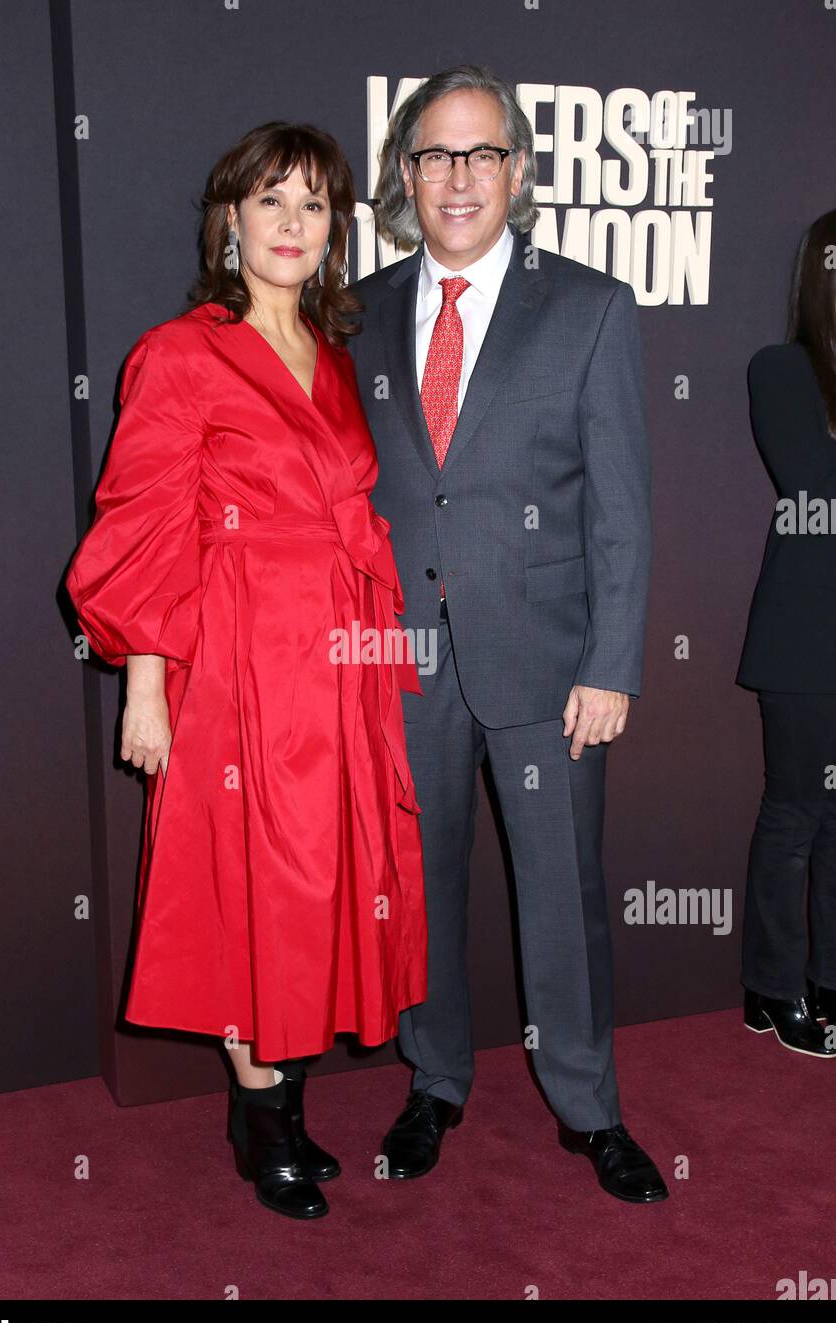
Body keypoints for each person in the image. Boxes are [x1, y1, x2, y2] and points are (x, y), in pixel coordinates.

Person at [65, 123, 429, 1221]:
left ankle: (289, 1096)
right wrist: (144, 681)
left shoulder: (338, 358)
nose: (289, 224)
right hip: (235, 653)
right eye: (269, 201)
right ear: (228, 222)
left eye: (313, 206)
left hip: (339, 652)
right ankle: (259, 1110)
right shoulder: (179, 352)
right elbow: (145, 523)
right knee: (246, 876)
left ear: (334, 235)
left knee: (323, 875)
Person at [349, 64, 668, 1203]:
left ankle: (590, 1105)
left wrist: (613, 665)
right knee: (419, 888)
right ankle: (433, 1082)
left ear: (520, 171)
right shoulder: (363, 310)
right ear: (406, 174)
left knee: (563, 897)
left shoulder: (586, 306)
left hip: (546, 668)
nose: (458, 177)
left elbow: (622, 510)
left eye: (482, 154)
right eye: (435, 154)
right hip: (403, 667)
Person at [736, 209, 836, 1058]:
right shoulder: (781, 369)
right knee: (797, 813)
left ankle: (830, 975)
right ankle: (772, 985)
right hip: (805, 634)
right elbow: (812, 482)